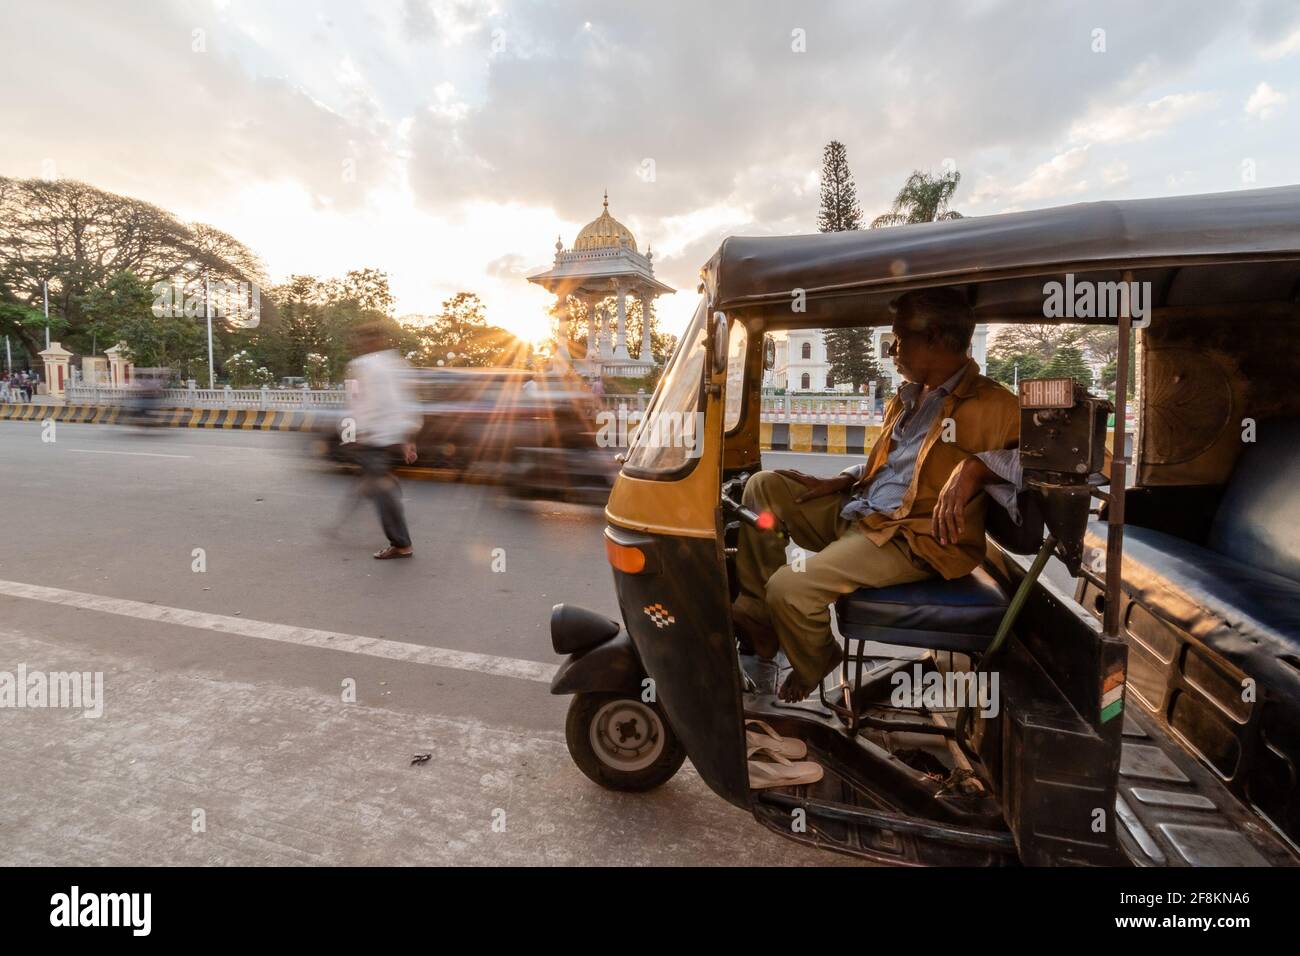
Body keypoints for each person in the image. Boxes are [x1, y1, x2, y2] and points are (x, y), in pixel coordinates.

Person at [732, 288, 1020, 701]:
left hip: (910, 537)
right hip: (863, 509)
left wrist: (977, 466)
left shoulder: (996, 405)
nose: (892, 351)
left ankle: (817, 659)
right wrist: (846, 478)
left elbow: (1071, 465)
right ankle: (759, 615)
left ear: (935, 338)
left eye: (900, 339)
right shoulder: (908, 397)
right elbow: (892, 465)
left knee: (791, 589)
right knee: (764, 487)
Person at [341, 323, 420, 559]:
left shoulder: (360, 366)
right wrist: (409, 438)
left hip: (374, 437)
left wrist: (357, 433)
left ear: (363, 342)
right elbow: (408, 400)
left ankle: (401, 544)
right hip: (395, 435)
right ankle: (384, 487)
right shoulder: (397, 364)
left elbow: (357, 403)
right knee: (378, 481)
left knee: (381, 490)